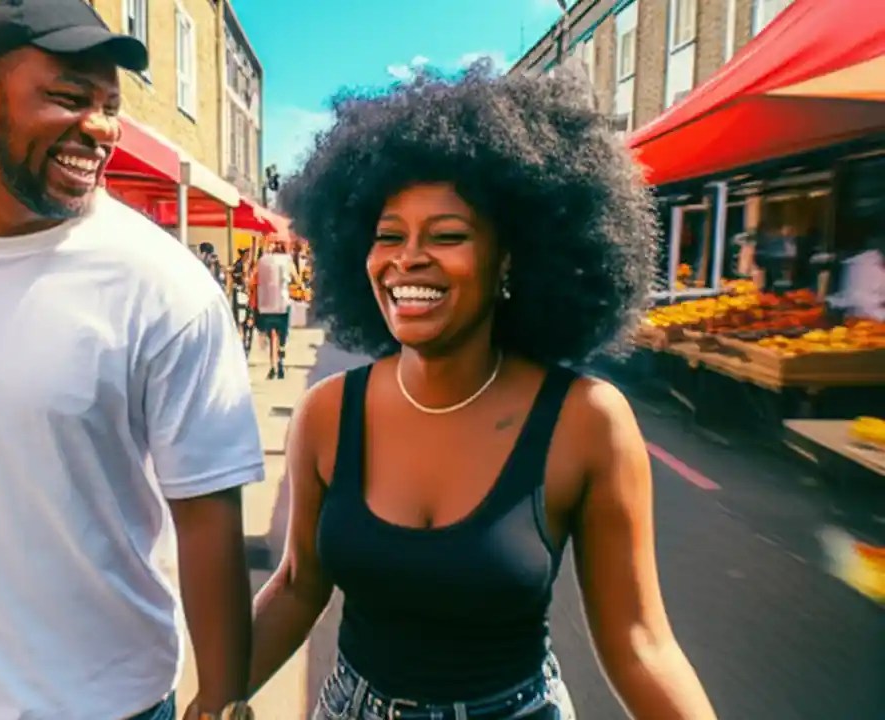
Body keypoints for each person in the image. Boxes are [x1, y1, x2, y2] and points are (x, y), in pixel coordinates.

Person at [246, 66, 718, 719]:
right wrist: (214, 693)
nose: (407, 258)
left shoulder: (584, 422)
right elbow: (298, 586)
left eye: (447, 235)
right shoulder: (328, 413)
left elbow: (640, 644)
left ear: (509, 261)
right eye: (389, 235)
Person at [0, 2, 262, 719]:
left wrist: (223, 700)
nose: (99, 128)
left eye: (110, 105)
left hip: (107, 700)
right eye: (69, 97)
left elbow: (208, 513)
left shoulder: (167, 287)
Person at [253, 239, 298, 379]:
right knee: (282, 335)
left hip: (266, 304)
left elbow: (254, 278)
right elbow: (296, 279)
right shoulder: (287, 261)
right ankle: (281, 362)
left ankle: (273, 365)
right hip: (282, 304)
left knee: (272, 335)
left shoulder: (262, 261)